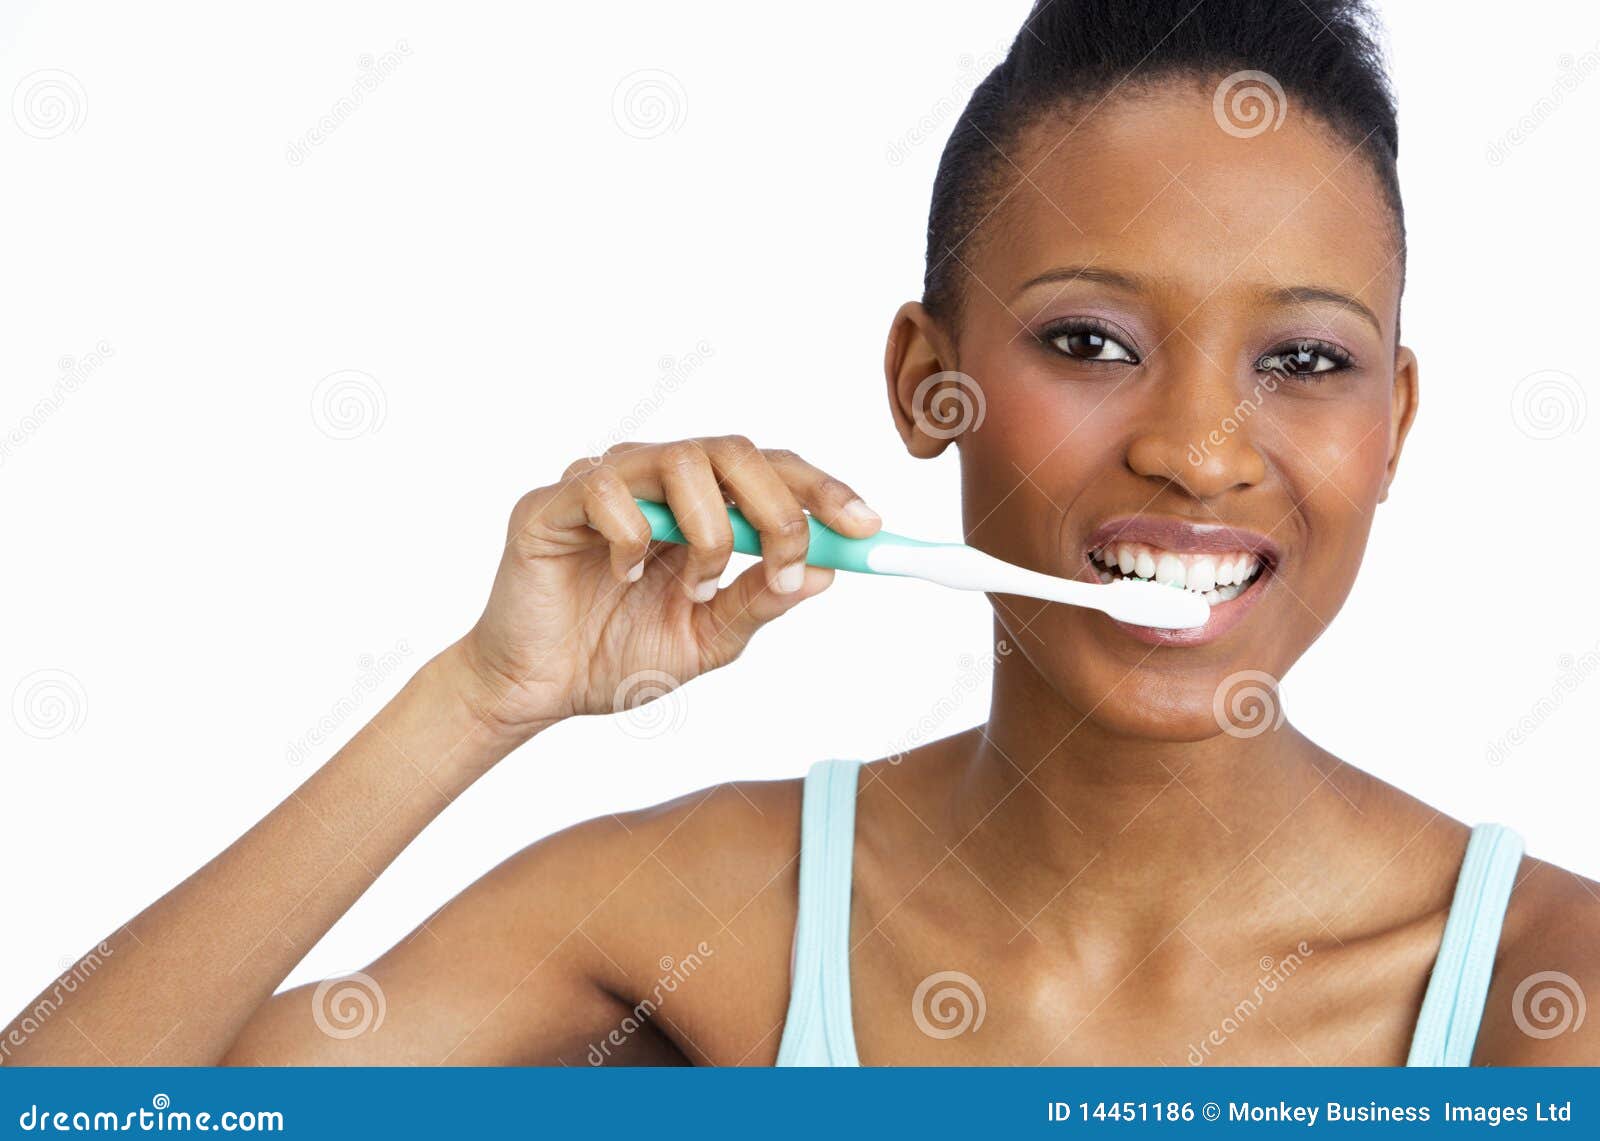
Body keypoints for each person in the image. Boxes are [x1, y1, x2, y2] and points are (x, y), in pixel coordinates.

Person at [7, 0, 1596, 1067]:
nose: (1196, 448)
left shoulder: (1547, 988)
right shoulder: (705, 917)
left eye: (1304, 361)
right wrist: (478, 698)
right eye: (1088, 342)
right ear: (928, 382)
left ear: (1394, 424)